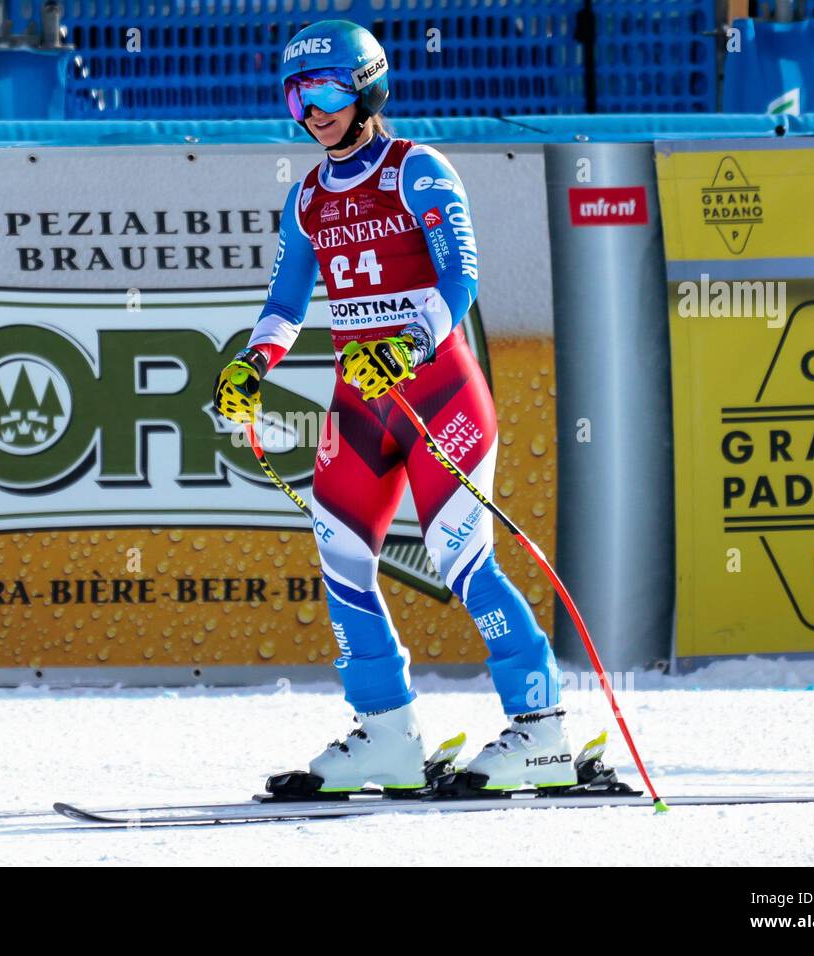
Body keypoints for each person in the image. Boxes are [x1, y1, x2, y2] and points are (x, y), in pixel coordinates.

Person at [214, 19, 575, 794]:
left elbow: (460, 282)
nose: (311, 109)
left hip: (440, 393)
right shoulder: (308, 196)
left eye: (325, 89)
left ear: (369, 86)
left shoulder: (420, 169)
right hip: (358, 404)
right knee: (341, 556)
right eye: (296, 93)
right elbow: (286, 302)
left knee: (460, 557)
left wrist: (409, 345)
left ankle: (541, 731)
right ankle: (387, 732)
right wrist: (253, 365)